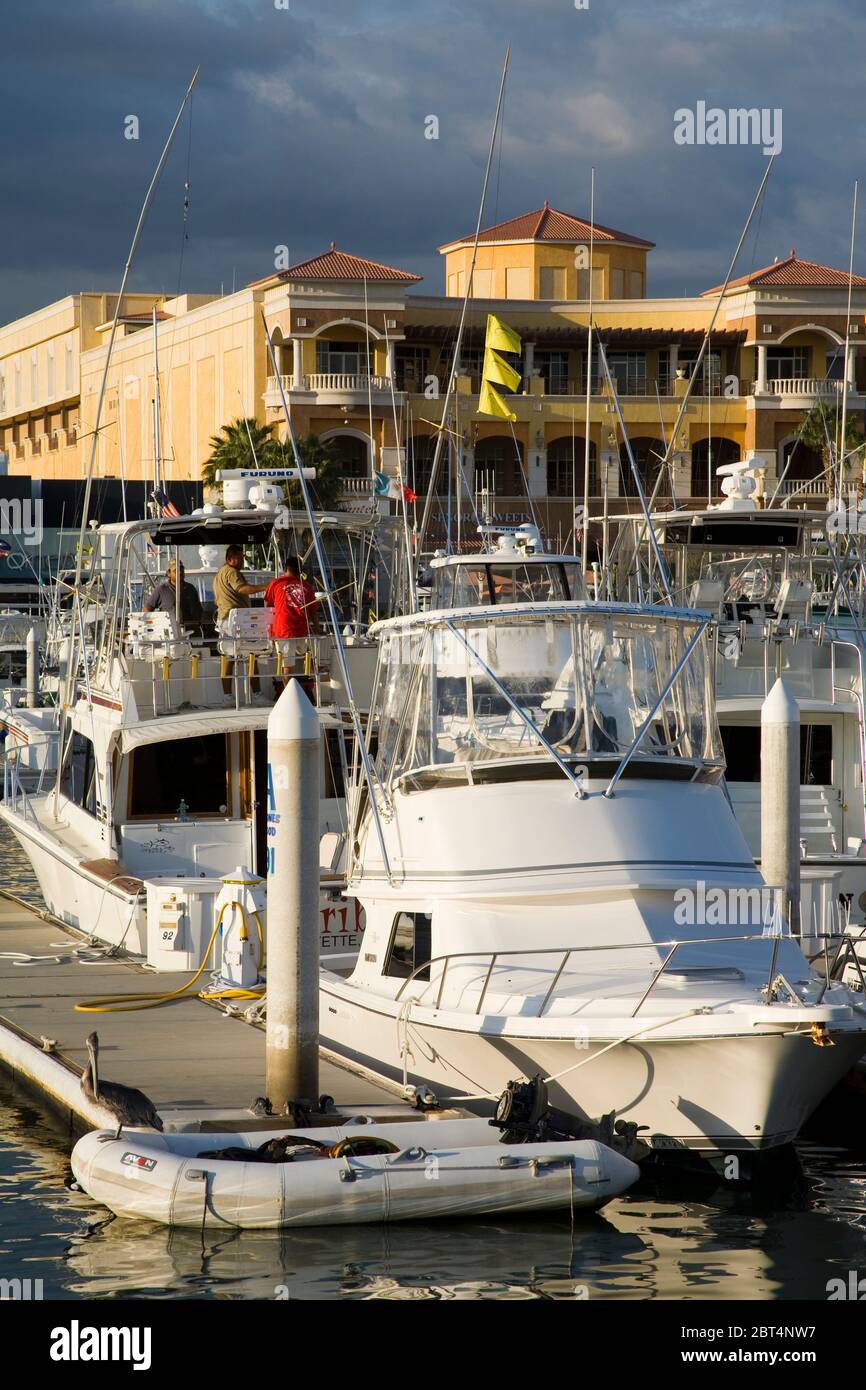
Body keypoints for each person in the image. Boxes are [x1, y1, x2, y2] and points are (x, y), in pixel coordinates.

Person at [213, 545, 268, 697]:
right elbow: (242, 589)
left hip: (223, 620)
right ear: (230, 559)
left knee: (228, 658)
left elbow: (216, 600)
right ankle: (256, 695)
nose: (242, 560)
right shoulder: (232, 572)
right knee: (252, 655)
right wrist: (266, 587)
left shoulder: (219, 574)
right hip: (237, 622)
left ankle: (227, 696)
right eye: (240, 557)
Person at [265, 557, 319, 694]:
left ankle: (289, 695)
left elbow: (268, 605)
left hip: (284, 629)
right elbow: (313, 613)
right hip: (301, 630)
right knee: (305, 654)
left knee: (287, 665)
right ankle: (314, 678)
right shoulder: (307, 587)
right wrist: (319, 629)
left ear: (286, 568)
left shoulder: (276, 583)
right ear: (300, 570)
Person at [143, 560, 203, 629]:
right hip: (170, 632)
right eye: (176, 571)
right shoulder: (161, 590)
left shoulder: (191, 588)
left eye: (181, 570)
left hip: (190, 632)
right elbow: (147, 608)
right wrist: (154, 627)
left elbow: (199, 610)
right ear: (169, 573)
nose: (180, 572)